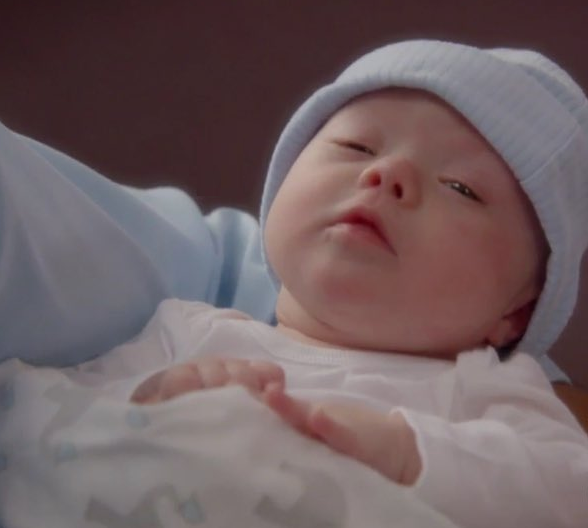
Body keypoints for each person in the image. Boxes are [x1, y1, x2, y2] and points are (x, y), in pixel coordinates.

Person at [101, 40, 588, 527]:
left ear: (515, 314)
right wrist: (156, 395)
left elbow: (571, 487)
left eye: (461, 188)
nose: (386, 173)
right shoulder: (188, 333)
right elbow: (69, 424)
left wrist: (409, 453)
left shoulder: (487, 396)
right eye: (358, 147)